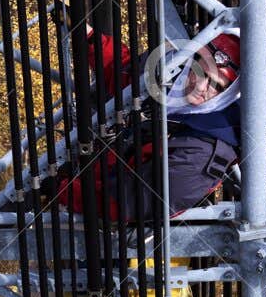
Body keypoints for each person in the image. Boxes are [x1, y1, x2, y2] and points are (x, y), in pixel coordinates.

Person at [56, 28, 241, 220]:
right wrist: (90, 36)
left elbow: (127, 202)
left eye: (216, 85)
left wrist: (63, 190)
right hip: (87, 179)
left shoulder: (203, 151)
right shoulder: (173, 76)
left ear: (229, 93)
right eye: (201, 71)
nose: (201, 86)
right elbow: (125, 74)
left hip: (105, 227)